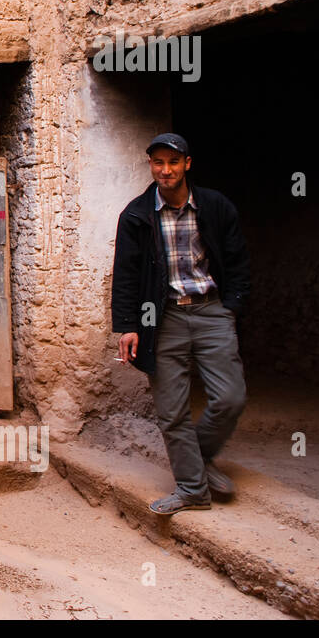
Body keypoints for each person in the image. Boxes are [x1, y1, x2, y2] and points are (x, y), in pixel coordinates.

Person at [110, 132, 251, 516]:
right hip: (163, 317)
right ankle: (192, 488)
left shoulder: (216, 207)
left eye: (173, 162)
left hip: (211, 310)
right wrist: (127, 325)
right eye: (158, 162)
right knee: (171, 411)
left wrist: (231, 307)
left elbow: (237, 261)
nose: (165, 170)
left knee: (230, 397)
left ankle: (199, 460)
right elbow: (125, 274)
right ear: (151, 165)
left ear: (187, 164)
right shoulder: (137, 216)